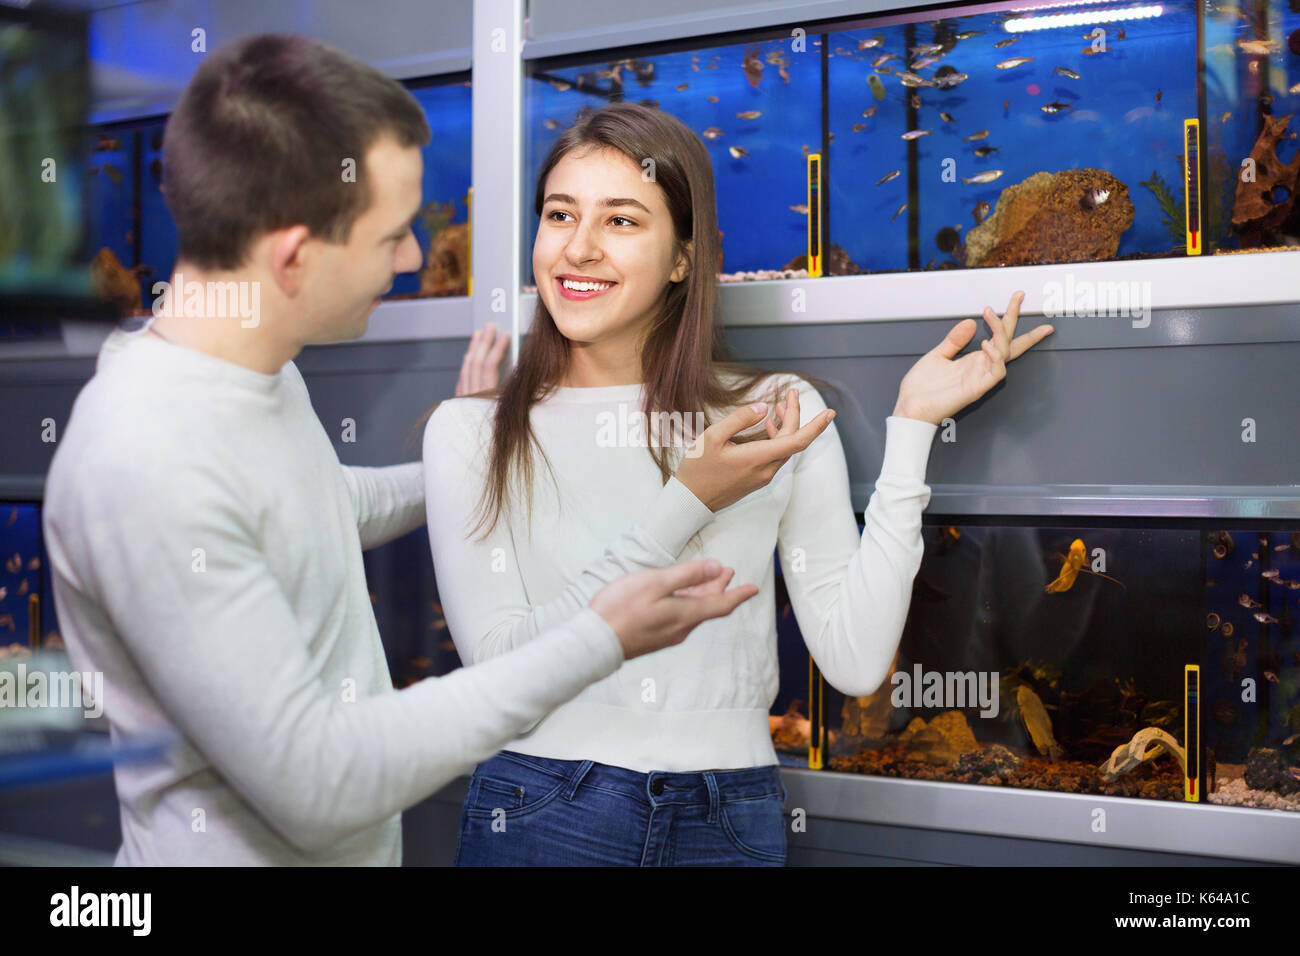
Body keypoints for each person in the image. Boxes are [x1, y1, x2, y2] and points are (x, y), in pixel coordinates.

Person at [40, 35, 778, 866]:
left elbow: (321, 505)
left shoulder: (258, 378)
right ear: (293, 255)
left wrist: (477, 449)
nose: (416, 259)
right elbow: (319, 785)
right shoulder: (145, 461)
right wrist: (601, 637)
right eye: (393, 236)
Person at [423, 102, 1053, 866]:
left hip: (731, 818)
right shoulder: (469, 432)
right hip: (541, 809)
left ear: (685, 259)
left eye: (621, 221)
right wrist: (686, 501)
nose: (578, 248)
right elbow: (498, 672)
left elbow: (855, 661)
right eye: (560, 214)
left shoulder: (776, 411)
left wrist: (913, 428)